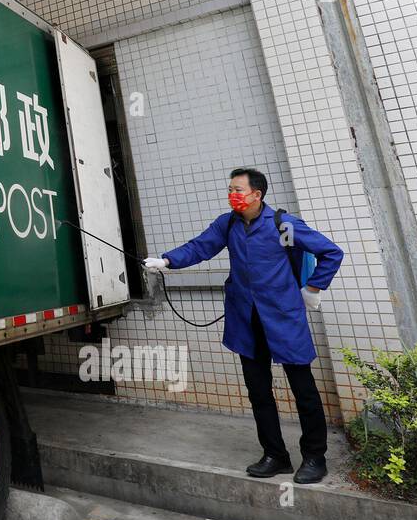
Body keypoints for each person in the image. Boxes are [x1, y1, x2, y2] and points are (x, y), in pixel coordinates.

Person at [143, 167, 344, 484]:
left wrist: (313, 288)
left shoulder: (282, 225)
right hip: (246, 320)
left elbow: (331, 252)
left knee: (303, 390)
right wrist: (166, 261)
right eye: (230, 189)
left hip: (283, 318)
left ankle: (315, 457)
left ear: (257, 194)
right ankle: (276, 455)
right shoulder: (228, 224)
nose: (232, 195)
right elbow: (200, 246)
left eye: (238, 190)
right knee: (259, 391)